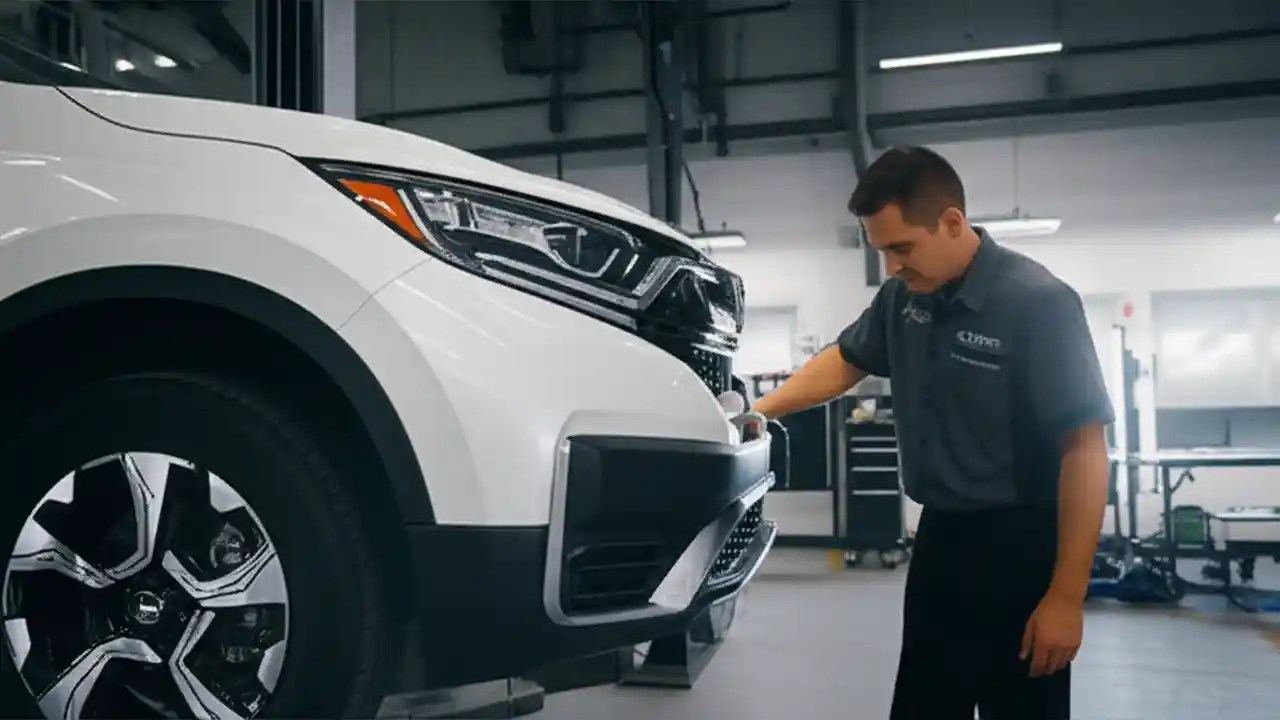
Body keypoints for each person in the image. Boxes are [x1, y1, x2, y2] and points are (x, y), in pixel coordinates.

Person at [750, 146, 1114, 719]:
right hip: (942, 539)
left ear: (951, 223)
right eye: (882, 251)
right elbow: (847, 358)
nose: (892, 266)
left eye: (902, 247)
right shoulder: (903, 297)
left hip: (1022, 545)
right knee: (924, 706)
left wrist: (1066, 597)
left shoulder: (1038, 303)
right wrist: (762, 408)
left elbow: (1085, 450)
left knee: (1021, 708)